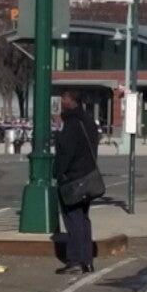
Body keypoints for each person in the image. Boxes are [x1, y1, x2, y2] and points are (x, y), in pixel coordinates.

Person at [53, 90, 101, 274]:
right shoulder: (88, 121)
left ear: (71, 100)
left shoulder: (71, 123)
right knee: (84, 218)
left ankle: (75, 260)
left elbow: (66, 151)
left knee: (73, 220)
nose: (62, 101)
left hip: (73, 178)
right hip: (88, 176)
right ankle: (87, 260)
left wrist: (58, 172)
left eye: (64, 98)